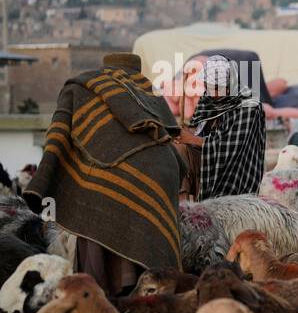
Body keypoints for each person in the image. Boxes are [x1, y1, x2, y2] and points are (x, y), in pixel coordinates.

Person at [25, 51, 184, 294]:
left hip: (107, 176)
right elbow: (172, 139)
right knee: (137, 223)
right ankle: (144, 286)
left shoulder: (82, 87)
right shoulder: (149, 94)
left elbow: (56, 139)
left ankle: (105, 290)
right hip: (162, 173)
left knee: (93, 207)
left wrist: (43, 181)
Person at [190, 54, 266, 199]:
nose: (212, 92)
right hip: (206, 164)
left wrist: (192, 140)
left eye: (217, 87)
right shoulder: (207, 101)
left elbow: (229, 146)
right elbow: (195, 128)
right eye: (209, 86)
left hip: (235, 176)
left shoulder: (248, 107)